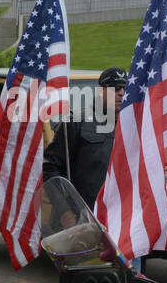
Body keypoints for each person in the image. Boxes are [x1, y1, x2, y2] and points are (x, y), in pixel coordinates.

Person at [41, 66, 126, 208]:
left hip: (121, 216)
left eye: (125, 88)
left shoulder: (132, 126)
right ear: (100, 90)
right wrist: (64, 209)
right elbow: (50, 167)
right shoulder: (76, 122)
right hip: (84, 216)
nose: (122, 93)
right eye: (116, 88)